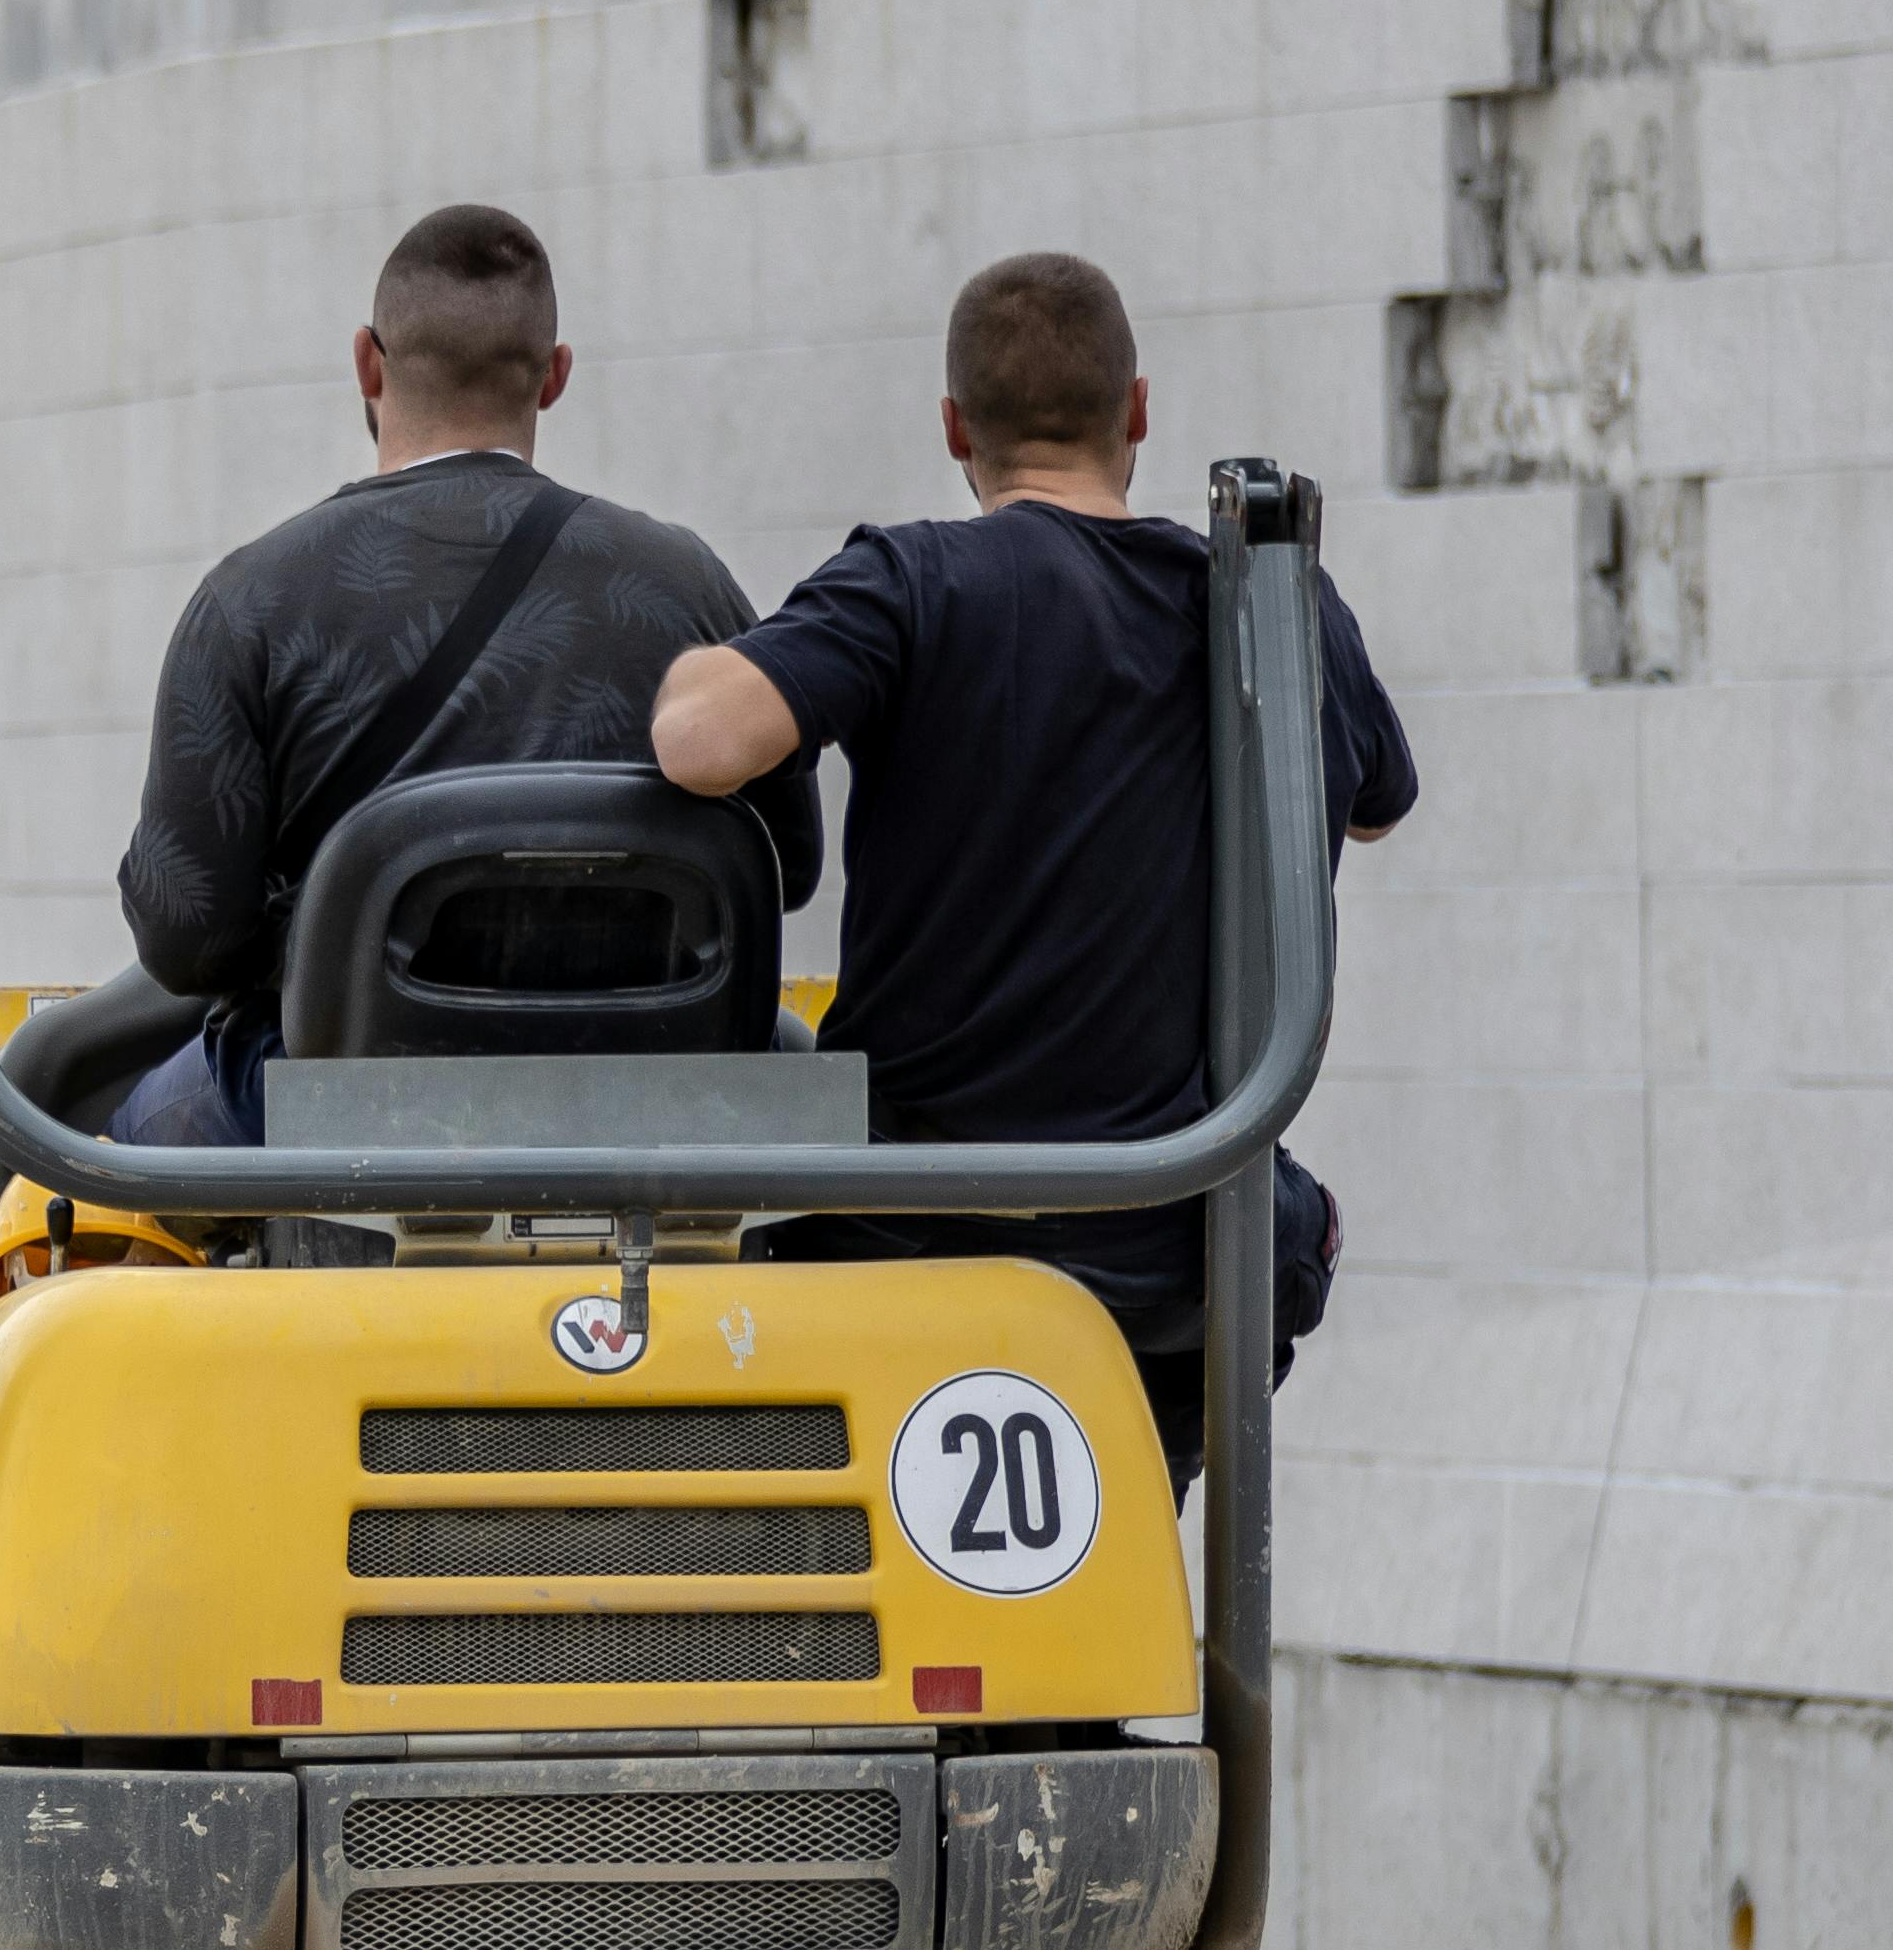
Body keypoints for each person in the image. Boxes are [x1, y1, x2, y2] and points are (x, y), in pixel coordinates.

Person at [649, 249, 1415, 1496]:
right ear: (1138, 410)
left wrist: (693, 663)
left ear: (955, 427)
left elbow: (699, 741)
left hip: (913, 1240)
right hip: (1178, 1252)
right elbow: (1377, 810)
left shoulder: (912, 583)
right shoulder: (1281, 611)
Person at [111, 202, 818, 1146]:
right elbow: (788, 868)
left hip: (339, 1112)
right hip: (652, 1093)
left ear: (367, 363)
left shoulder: (250, 601)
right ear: (555, 375)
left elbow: (183, 938)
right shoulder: (690, 587)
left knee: (119, 1133)